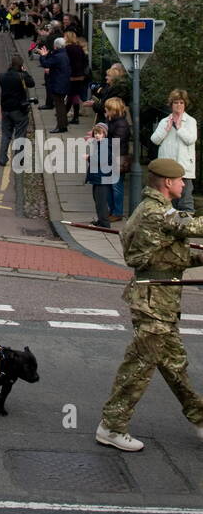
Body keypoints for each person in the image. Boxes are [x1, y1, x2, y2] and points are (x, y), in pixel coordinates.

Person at [96, 158, 203, 452]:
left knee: (175, 366)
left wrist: (199, 258)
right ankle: (111, 427)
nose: (184, 184)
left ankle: (200, 419)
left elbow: (166, 256)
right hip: (152, 304)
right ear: (167, 183)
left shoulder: (155, 211)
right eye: (181, 180)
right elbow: (194, 226)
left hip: (160, 303)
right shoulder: (157, 214)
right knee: (139, 368)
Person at [150, 90, 197, 213]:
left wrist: (179, 127)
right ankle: (170, 228)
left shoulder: (190, 121)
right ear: (171, 104)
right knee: (169, 204)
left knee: (185, 202)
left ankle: (186, 229)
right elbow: (154, 140)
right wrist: (166, 129)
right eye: (176, 102)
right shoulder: (165, 121)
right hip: (167, 169)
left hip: (184, 169)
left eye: (181, 102)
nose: (179, 105)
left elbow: (191, 139)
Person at [0, 56, 34, 165]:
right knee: (20, 134)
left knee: (6, 134)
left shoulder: (2, 76)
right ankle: (18, 160)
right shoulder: (21, 77)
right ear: (21, 66)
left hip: (5, 109)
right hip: (18, 109)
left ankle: (2, 159)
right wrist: (25, 72)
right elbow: (31, 83)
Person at [104, 96, 131, 220]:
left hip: (117, 157)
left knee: (116, 186)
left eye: (107, 109)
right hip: (111, 155)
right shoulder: (112, 120)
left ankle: (117, 212)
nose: (105, 110)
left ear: (113, 110)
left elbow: (116, 141)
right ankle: (112, 210)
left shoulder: (121, 124)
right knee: (110, 185)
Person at [85, 122, 115, 229]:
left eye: (100, 133)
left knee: (101, 201)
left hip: (102, 178)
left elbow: (102, 160)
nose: (97, 135)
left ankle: (105, 223)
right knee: (98, 200)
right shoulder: (99, 144)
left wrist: (89, 157)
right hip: (98, 177)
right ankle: (101, 220)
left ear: (105, 134)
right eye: (96, 133)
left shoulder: (105, 146)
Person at [37, 36, 70, 133]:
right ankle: (64, 125)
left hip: (58, 83)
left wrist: (43, 55)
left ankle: (60, 126)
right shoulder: (64, 54)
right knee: (62, 105)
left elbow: (46, 64)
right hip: (64, 82)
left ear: (56, 46)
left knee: (59, 106)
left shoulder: (58, 56)